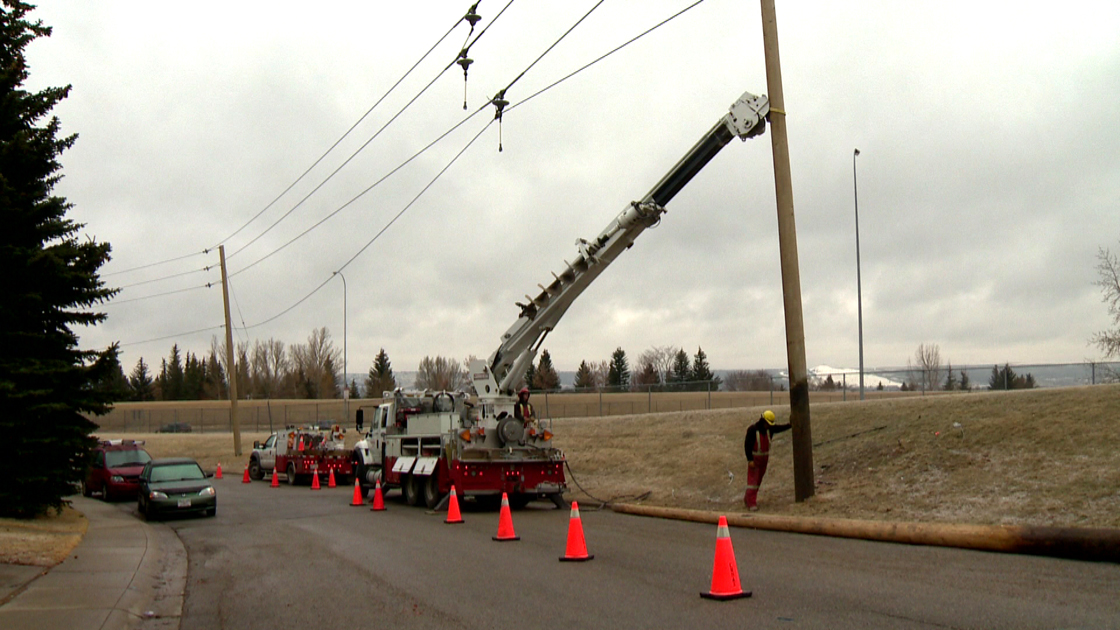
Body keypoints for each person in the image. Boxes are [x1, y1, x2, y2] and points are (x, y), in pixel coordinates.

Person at [743, 409, 791, 511]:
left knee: (757, 482)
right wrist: (750, 460)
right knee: (752, 482)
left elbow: (778, 428)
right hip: (755, 460)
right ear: (763, 421)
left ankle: (748, 498)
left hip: (764, 460)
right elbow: (747, 446)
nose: (769, 426)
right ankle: (751, 503)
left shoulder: (769, 429)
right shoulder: (752, 430)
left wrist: (790, 425)